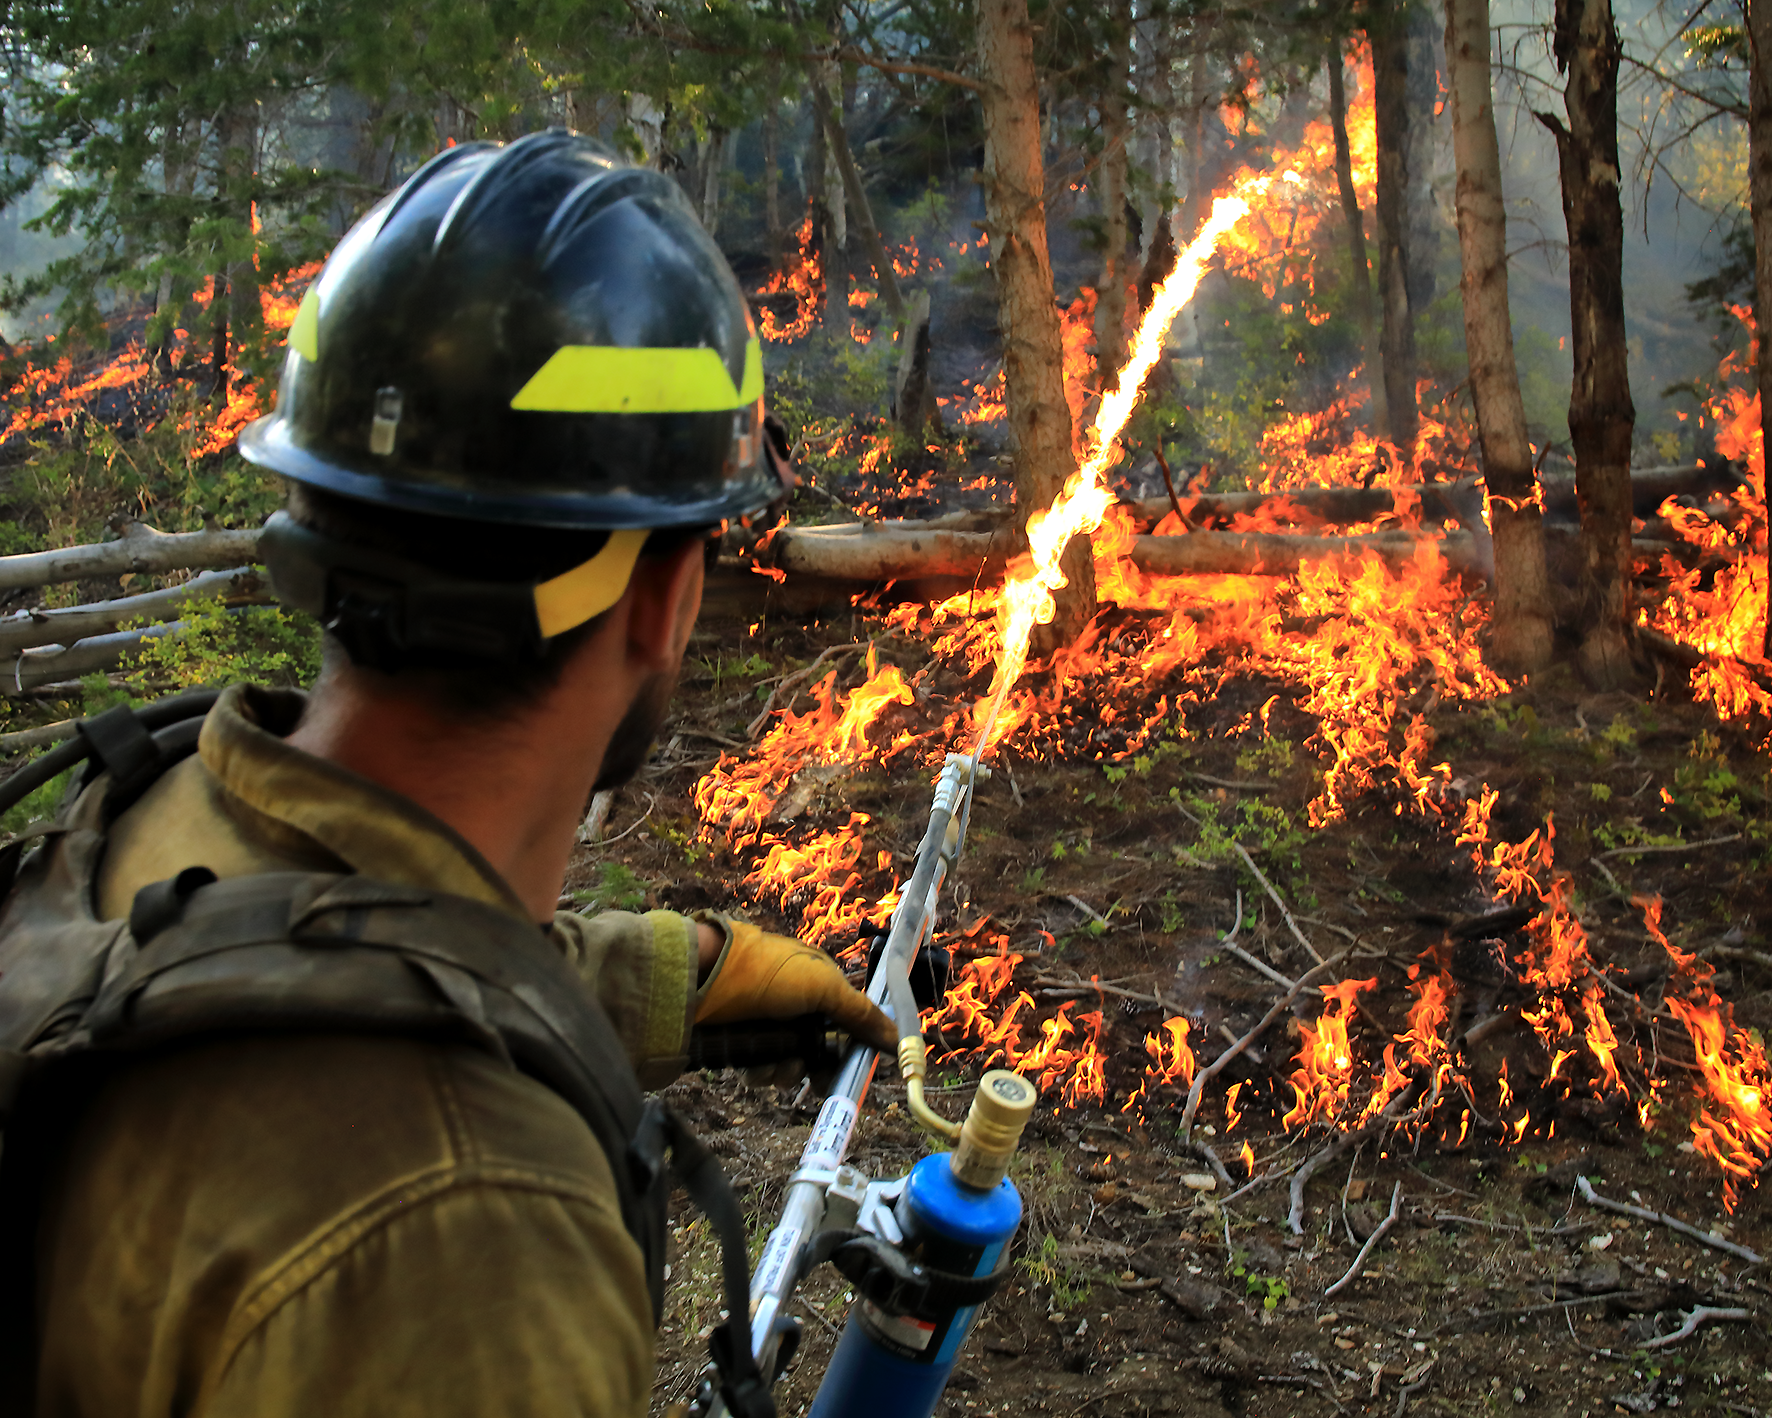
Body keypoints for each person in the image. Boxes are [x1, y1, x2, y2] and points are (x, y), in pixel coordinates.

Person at [25, 131, 895, 1417]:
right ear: (662, 596)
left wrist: (656, 973)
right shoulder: (472, 1243)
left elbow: (296, 951)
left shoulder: (147, 816)